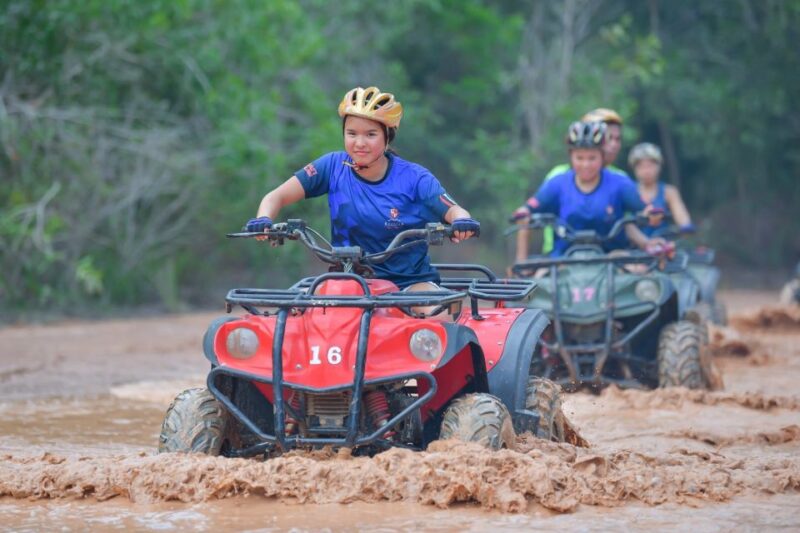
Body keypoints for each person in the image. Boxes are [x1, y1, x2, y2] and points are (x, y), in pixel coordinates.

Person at [244, 86, 480, 292]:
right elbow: (276, 196)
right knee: (304, 320)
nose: (359, 143)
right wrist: (263, 219)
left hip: (409, 284)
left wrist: (461, 223)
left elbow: (455, 211)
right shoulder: (332, 166)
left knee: (434, 316)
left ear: (388, 138)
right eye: (352, 133)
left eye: (370, 134)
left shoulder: (415, 178)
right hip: (349, 283)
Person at [513, 121, 660, 263]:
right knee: (538, 282)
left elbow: (644, 208)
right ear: (571, 157)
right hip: (562, 263)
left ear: (602, 157)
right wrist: (524, 213)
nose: (585, 164)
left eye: (592, 158)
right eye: (579, 158)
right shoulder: (557, 184)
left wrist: (651, 214)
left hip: (613, 261)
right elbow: (530, 208)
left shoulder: (619, 183)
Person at [539, 108, 629, 254]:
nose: (613, 144)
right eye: (608, 137)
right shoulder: (557, 176)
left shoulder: (620, 178)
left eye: (617, 139)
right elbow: (527, 216)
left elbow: (629, 222)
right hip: (559, 259)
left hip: (608, 258)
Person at [628, 142, 693, 237]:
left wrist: (685, 226)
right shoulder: (628, 191)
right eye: (641, 167)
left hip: (663, 244)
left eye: (650, 166)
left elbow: (681, 216)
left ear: (659, 166)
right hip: (634, 246)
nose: (646, 171)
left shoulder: (669, 192)